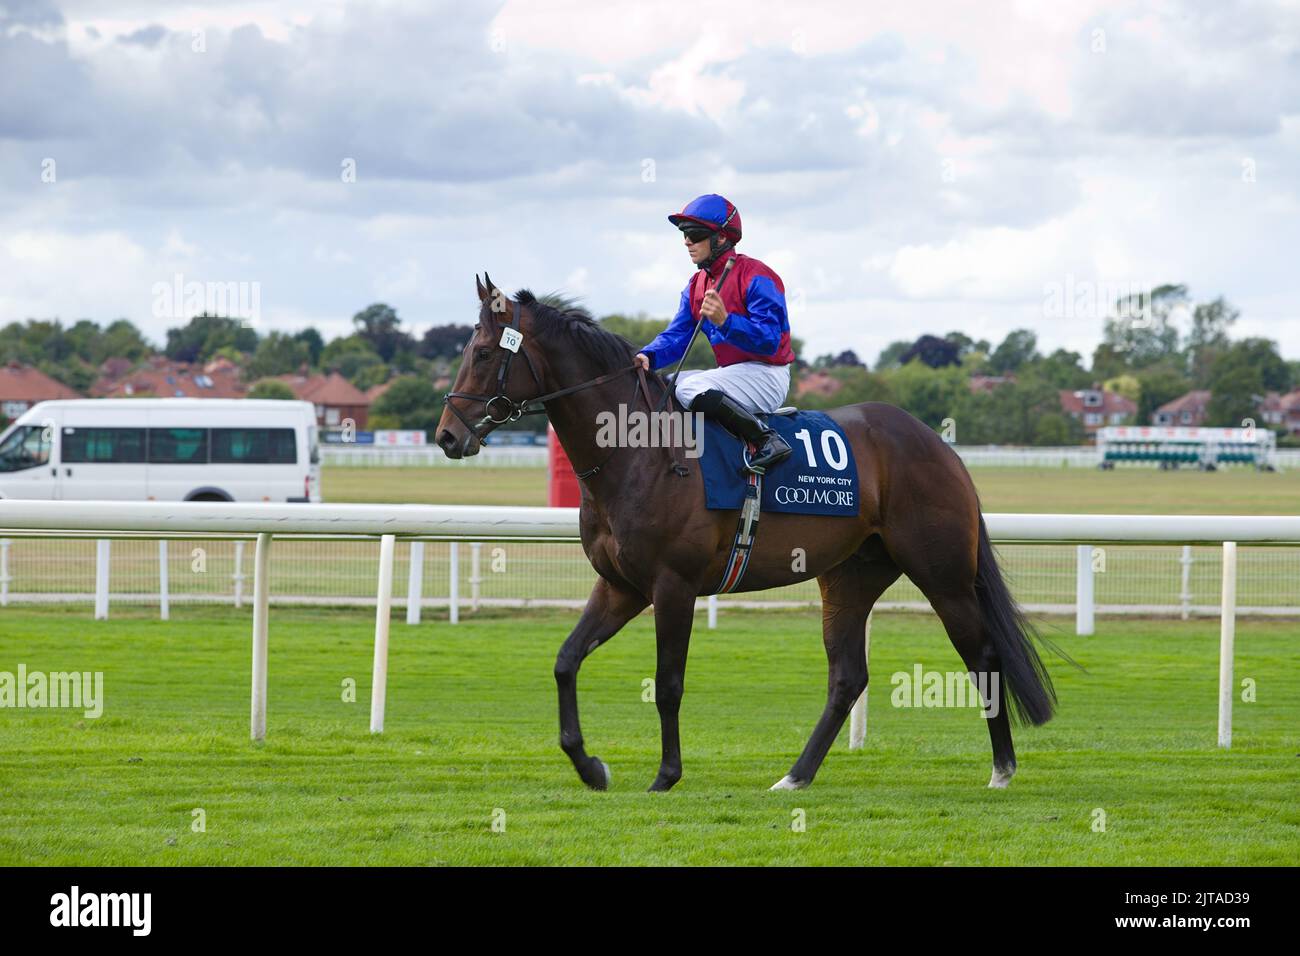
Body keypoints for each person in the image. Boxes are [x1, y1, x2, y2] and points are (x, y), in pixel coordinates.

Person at [634, 194, 794, 472]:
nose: (686, 241)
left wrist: (726, 322)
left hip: (767, 375)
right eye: (684, 234)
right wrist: (648, 356)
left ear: (721, 238)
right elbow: (676, 337)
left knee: (690, 387)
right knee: (666, 384)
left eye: (694, 234)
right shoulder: (696, 285)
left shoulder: (758, 275)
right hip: (733, 375)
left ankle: (767, 439)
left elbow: (770, 341)